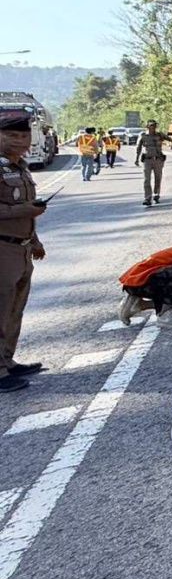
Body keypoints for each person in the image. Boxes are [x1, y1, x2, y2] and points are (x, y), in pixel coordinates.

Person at [0, 111, 47, 393]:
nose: (19, 141)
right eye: (11, 136)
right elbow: (19, 209)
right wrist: (24, 210)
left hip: (21, 248)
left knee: (14, 309)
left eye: (24, 136)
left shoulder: (21, 167)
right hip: (2, 248)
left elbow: (27, 211)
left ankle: (7, 360)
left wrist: (35, 240)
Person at [135, 119, 167, 206]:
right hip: (147, 160)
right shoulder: (143, 136)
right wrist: (137, 159)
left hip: (158, 160)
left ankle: (156, 194)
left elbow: (171, 139)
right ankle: (148, 198)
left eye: (154, 126)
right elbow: (138, 147)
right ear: (147, 126)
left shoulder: (159, 135)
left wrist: (166, 135)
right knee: (147, 180)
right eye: (151, 126)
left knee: (158, 178)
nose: (153, 127)